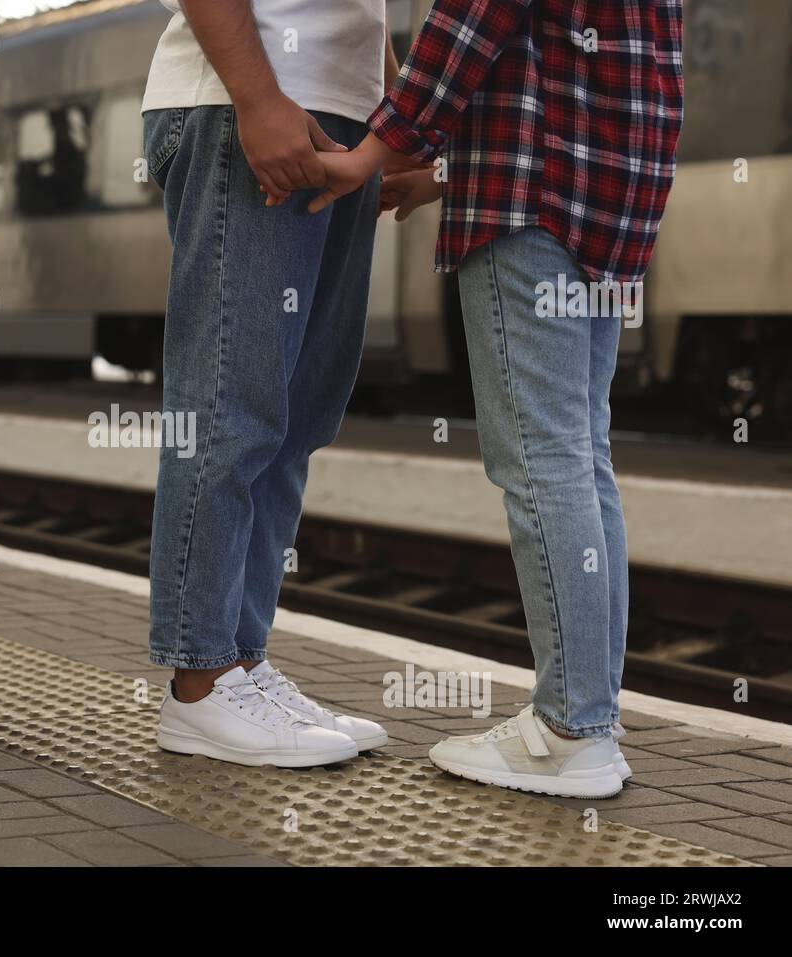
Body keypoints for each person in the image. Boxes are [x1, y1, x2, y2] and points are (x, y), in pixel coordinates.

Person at [306, 0, 685, 798]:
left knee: (543, 461)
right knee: (582, 460)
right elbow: (581, 89)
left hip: (529, 217)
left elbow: (468, 26)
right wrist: (444, 173)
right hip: (605, 217)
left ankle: (567, 731)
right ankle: (589, 717)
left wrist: (369, 153)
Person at [141, 0, 400, 767]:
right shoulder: (251, 102)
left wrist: (391, 113)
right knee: (232, 406)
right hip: (243, 102)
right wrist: (257, 98)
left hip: (335, 115)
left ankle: (242, 661)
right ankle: (200, 680)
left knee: (295, 419)